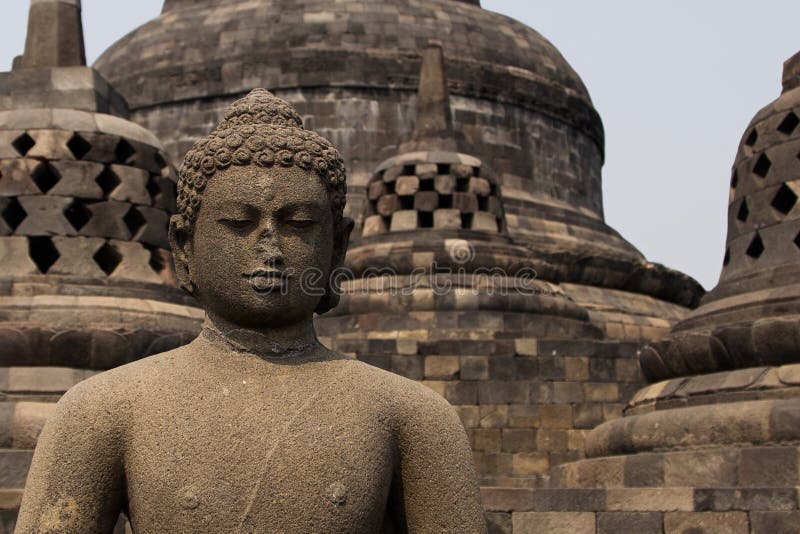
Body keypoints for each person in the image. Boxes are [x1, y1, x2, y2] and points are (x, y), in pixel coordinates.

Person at [15, 89, 487, 533]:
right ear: (184, 248)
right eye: (238, 224)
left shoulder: (411, 415)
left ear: (338, 248)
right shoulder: (102, 410)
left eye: (299, 224)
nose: (271, 248)